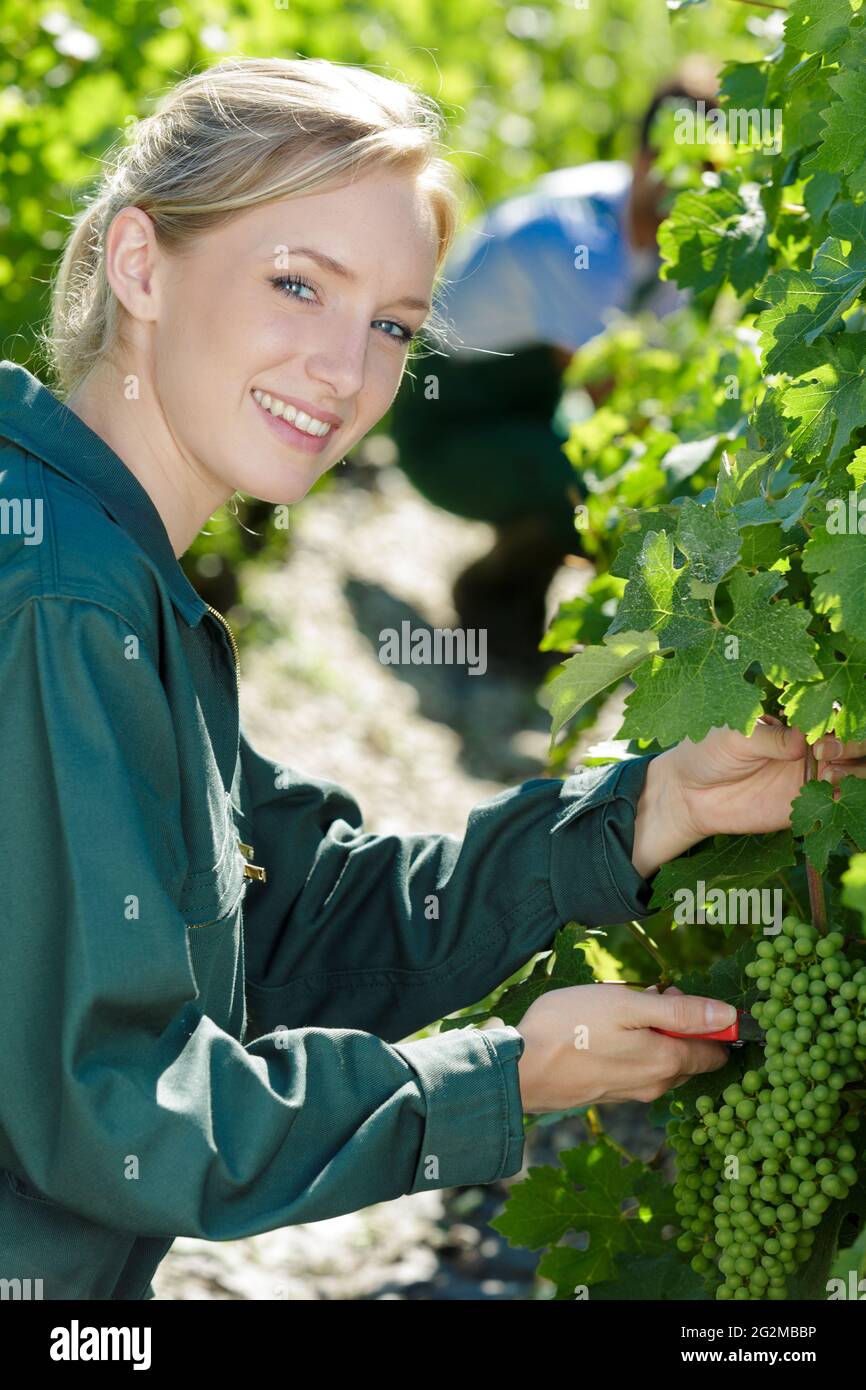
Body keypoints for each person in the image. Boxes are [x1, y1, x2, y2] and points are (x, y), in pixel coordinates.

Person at [0, 55, 860, 1302]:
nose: (347, 372)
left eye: (393, 325)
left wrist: (650, 807)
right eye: (296, 284)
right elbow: (118, 1114)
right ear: (139, 264)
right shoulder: (64, 598)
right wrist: (501, 1081)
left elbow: (294, 921)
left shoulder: (97, 555)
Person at [388, 60, 719, 674]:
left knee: (593, 482)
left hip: (521, 408)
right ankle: (487, 603)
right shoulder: (573, 241)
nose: (707, 197)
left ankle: (512, 609)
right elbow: (616, 404)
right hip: (441, 424)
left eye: (719, 181)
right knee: (585, 492)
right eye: (694, 175)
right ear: (647, 160)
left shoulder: (674, 237)